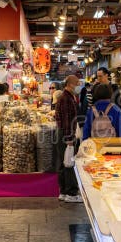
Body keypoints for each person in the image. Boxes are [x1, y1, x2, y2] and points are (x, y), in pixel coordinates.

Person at [55, 75, 83, 203]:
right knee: (69, 163)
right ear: (70, 84)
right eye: (77, 83)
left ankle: (63, 192)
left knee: (64, 162)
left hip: (63, 133)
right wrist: (69, 138)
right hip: (66, 134)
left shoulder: (67, 96)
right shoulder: (66, 98)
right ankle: (71, 193)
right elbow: (67, 120)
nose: (79, 85)